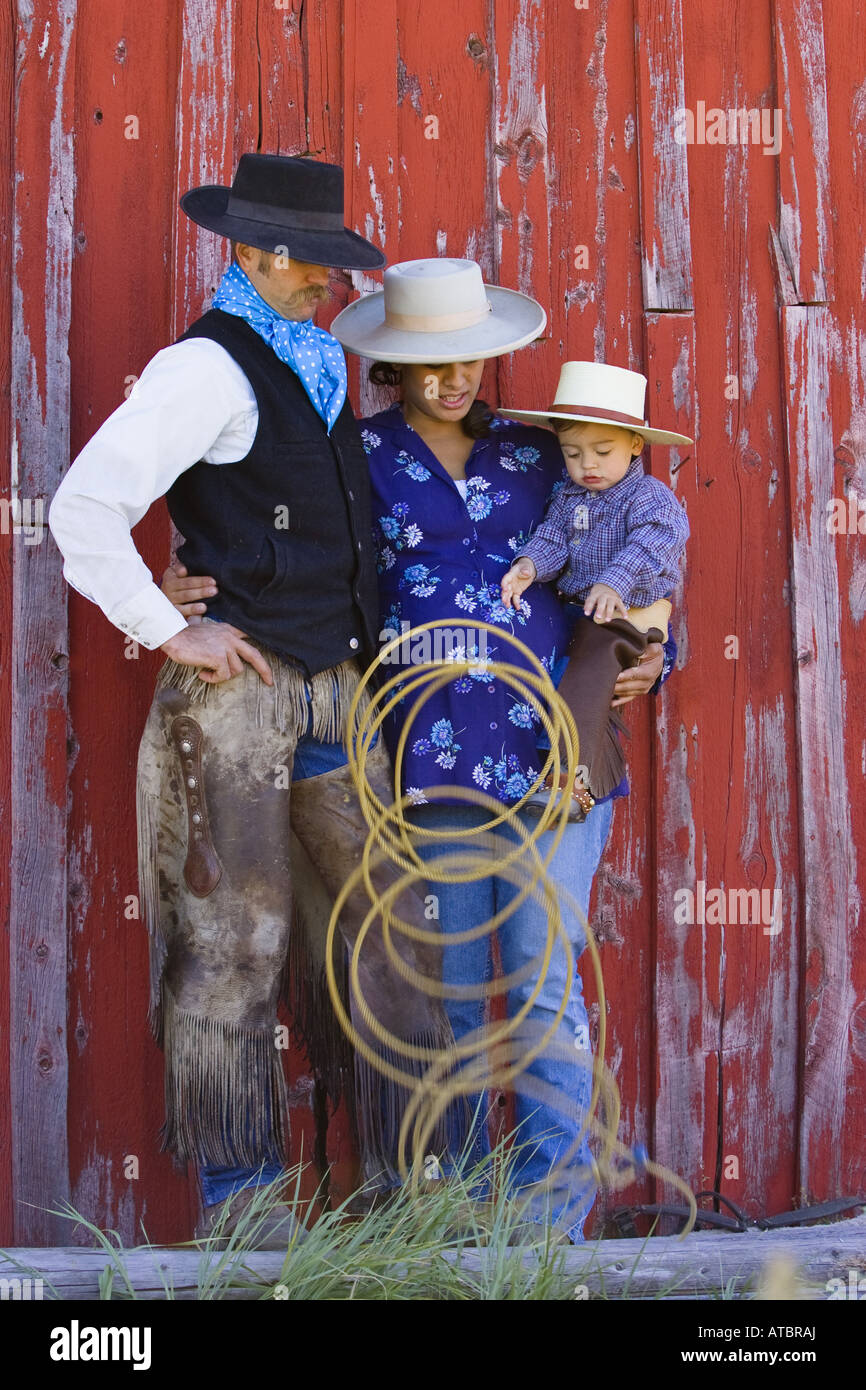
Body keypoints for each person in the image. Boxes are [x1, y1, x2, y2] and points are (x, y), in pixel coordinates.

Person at [167, 257, 678, 1241]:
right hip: (429, 771)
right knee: (437, 989)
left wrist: (659, 649)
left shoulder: (546, 456)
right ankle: (444, 1213)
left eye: (469, 359)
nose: (453, 380)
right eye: (429, 364)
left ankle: (543, 1224)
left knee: (537, 981)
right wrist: (187, 585)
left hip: (553, 759)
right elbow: (271, 552)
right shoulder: (348, 460)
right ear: (389, 366)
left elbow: (643, 545)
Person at [47, 154, 454, 1247]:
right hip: (237, 708)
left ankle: (418, 1212)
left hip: (335, 696)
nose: (327, 281)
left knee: (384, 940)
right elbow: (85, 505)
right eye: (311, 263)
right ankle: (248, 1235)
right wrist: (167, 623)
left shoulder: (313, 357)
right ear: (255, 255)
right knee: (229, 949)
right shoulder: (203, 369)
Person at [500, 361, 691, 819]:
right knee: (565, 672)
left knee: (588, 672)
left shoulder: (648, 497)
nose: (587, 465)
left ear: (634, 445)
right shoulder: (568, 496)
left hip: (631, 611)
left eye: (603, 451)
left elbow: (654, 543)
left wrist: (613, 581)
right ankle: (556, 755)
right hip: (583, 612)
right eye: (572, 452)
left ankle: (573, 782)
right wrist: (529, 565)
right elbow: (552, 538)